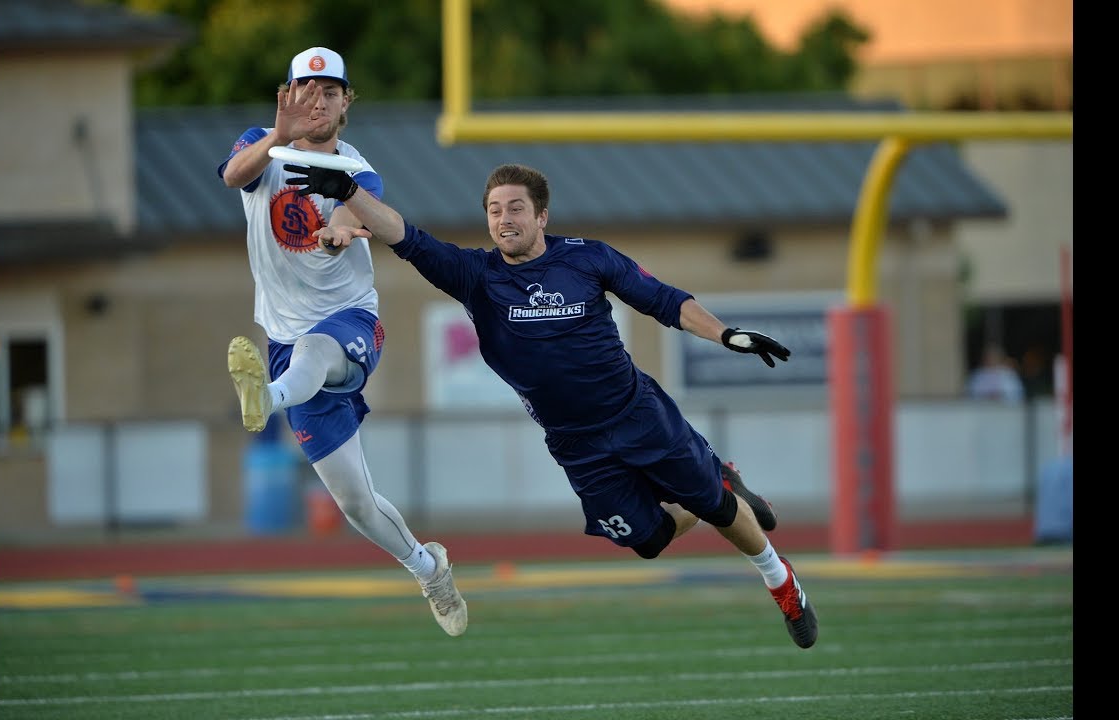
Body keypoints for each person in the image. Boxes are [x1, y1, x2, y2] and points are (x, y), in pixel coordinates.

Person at [285, 161, 818, 649]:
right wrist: (351, 193)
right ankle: (717, 476)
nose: (504, 219)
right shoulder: (477, 276)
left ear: (542, 215)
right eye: (494, 210)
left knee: (719, 512)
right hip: (575, 443)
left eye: (515, 207)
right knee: (651, 540)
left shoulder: (587, 258)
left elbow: (664, 300)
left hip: (637, 413)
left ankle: (781, 580)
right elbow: (409, 239)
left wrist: (726, 336)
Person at [216, 46, 467, 637]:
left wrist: (338, 227)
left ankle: (265, 400)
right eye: (308, 88)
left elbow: (363, 217)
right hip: (283, 339)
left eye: (330, 91)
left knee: (311, 354)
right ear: (289, 92)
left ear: (346, 100)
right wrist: (276, 135)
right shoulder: (261, 144)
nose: (318, 99)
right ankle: (430, 567)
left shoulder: (356, 166)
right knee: (356, 503)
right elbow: (233, 177)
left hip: (350, 322)